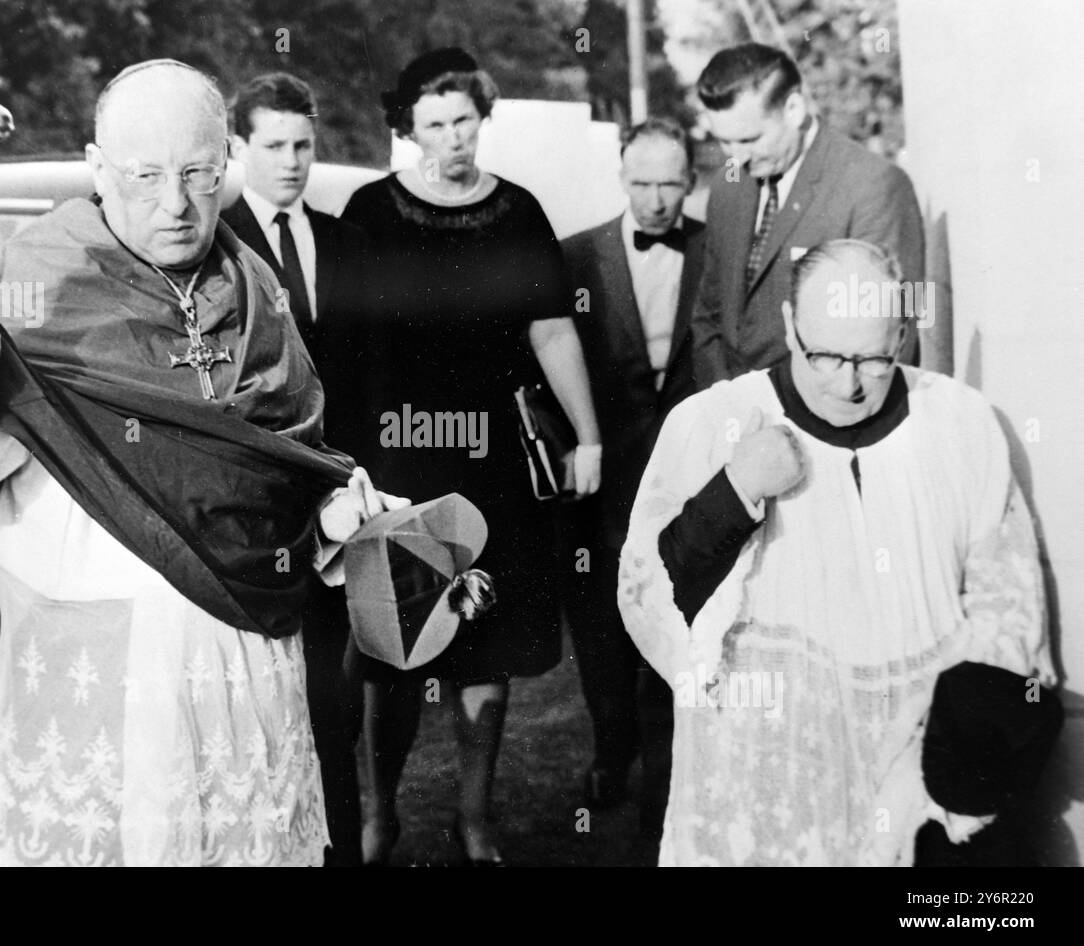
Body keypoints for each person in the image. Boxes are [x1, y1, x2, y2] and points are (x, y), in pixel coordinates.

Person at [0, 59, 409, 867]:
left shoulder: (257, 289)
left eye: (197, 172)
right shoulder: (38, 286)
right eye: (145, 176)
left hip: (240, 687)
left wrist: (336, 514)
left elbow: (280, 477)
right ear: (95, 168)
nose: (176, 203)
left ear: (227, 163)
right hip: (94, 687)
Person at [618, 239, 1055, 865]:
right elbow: (650, 598)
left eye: (874, 359)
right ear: (791, 324)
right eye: (824, 356)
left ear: (903, 333)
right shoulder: (716, 421)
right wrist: (733, 494)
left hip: (914, 783)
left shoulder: (958, 423)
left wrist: (946, 754)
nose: (847, 385)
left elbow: (1005, 598)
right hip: (769, 788)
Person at [339, 47, 601, 865]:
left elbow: (552, 329)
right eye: (433, 124)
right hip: (400, 462)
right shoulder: (369, 215)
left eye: (464, 120)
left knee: (487, 641)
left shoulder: (520, 213)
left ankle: (474, 818)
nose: (452, 138)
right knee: (395, 649)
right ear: (406, 131)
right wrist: (354, 468)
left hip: (494, 465)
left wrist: (587, 436)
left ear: (482, 118)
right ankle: (379, 815)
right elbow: (346, 351)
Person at [223, 71, 373, 866]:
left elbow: (369, 377)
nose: (290, 162)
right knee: (258, 710)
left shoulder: (344, 242)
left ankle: (339, 850)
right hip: (253, 518)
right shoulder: (214, 243)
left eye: (303, 146)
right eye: (273, 145)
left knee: (333, 705)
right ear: (238, 149)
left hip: (341, 512)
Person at [559, 116, 705, 841]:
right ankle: (611, 750)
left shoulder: (719, 252)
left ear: (692, 181)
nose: (655, 201)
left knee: (678, 615)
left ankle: (670, 767)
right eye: (641, 183)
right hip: (604, 472)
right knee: (601, 623)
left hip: (690, 473)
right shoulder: (574, 257)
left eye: (669, 184)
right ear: (622, 177)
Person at [690, 42, 925, 388]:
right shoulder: (728, 187)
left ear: (794, 109)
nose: (736, 159)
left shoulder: (874, 186)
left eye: (749, 139)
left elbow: (897, 328)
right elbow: (709, 314)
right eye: (725, 142)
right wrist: (729, 405)